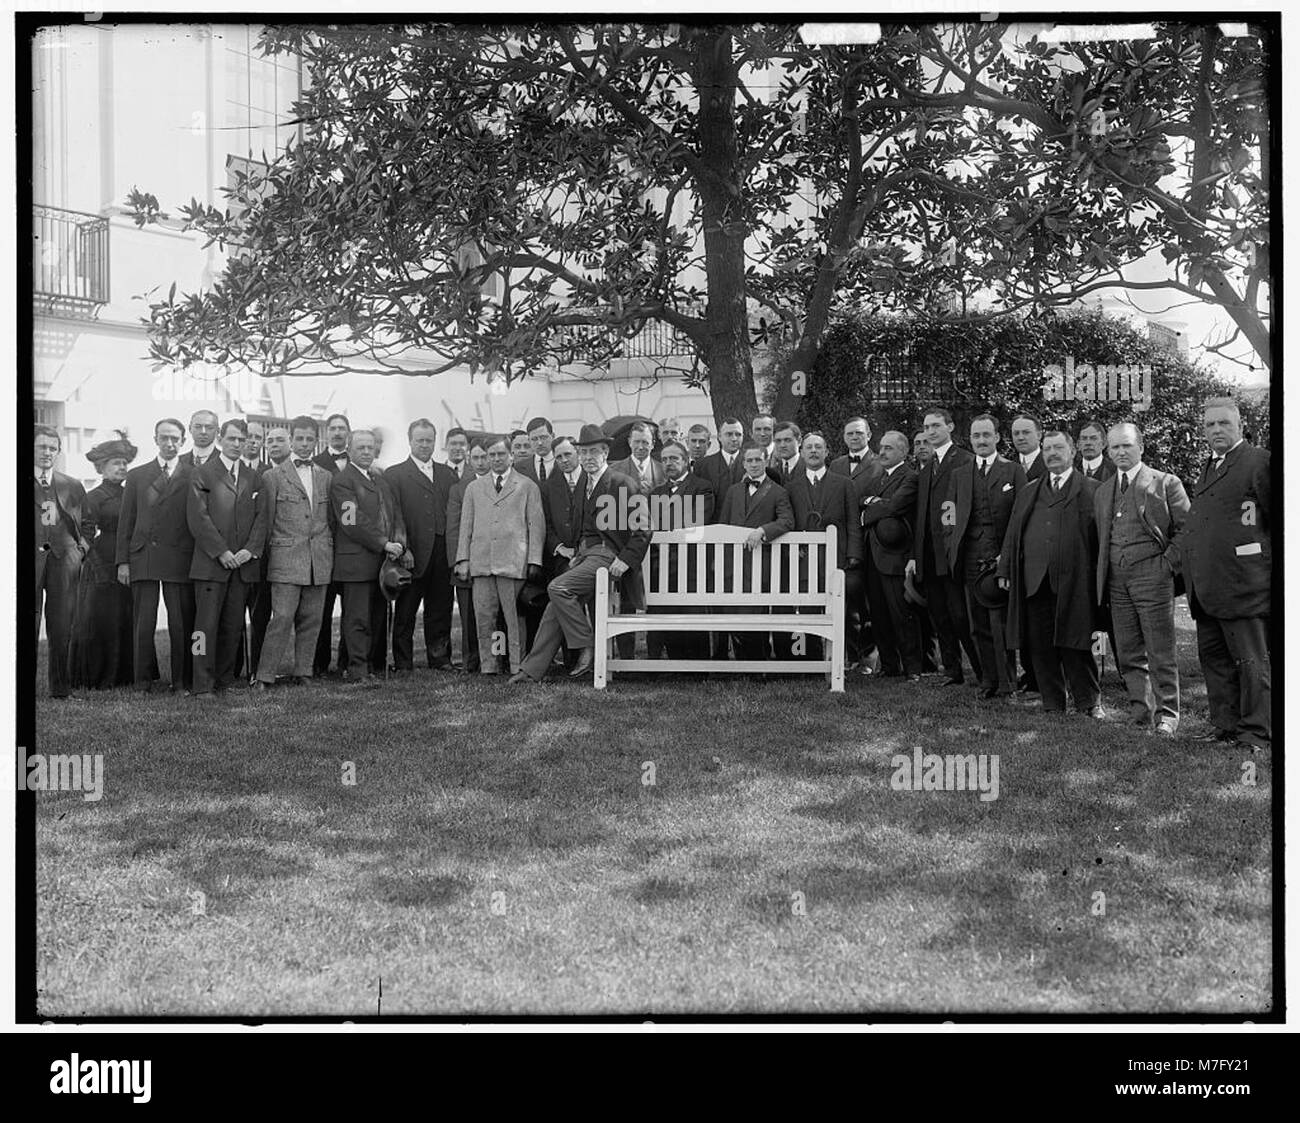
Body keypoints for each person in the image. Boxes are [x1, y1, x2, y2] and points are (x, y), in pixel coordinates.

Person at [509, 424, 650, 683]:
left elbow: (643, 529)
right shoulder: (585, 482)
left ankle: (586, 645)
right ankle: (532, 671)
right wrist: (576, 553)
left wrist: (625, 560)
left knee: (559, 588)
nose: (587, 458)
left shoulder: (623, 483)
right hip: (586, 557)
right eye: (583, 453)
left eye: (593, 452)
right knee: (555, 605)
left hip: (609, 557)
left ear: (605, 453)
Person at [1180, 398, 1271, 751]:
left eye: (1223, 423)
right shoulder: (1210, 466)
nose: (1216, 430)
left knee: (1253, 665)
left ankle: (1257, 733)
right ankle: (1226, 727)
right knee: (1216, 663)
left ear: (1239, 424)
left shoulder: (1258, 461)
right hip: (1209, 590)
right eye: (1209, 425)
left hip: (1246, 588)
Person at [1094, 422, 1190, 735]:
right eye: (1115, 447)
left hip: (1153, 575)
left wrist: (1166, 565)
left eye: (1127, 446)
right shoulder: (1104, 490)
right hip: (1116, 580)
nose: (1121, 452)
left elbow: (1188, 531)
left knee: (1160, 649)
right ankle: (1140, 712)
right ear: (1108, 451)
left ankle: (1167, 715)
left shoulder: (1165, 483)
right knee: (1128, 649)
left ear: (1141, 448)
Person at [998, 430, 1103, 718]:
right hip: (1035, 580)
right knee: (1040, 645)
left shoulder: (1093, 489)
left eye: (1058, 448)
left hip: (1076, 581)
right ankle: (1052, 703)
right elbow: (1013, 533)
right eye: (1047, 449)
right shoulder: (1029, 490)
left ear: (1072, 452)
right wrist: (1005, 568)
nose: (1052, 453)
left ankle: (1088, 702)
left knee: (1077, 643)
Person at [249, 416, 335, 691]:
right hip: (285, 558)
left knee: (312, 619)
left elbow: (331, 518)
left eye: (310, 439)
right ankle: (264, 675)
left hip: (318, 559)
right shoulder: (272, 476)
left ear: (315, 441)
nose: (305, 444)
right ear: (291, 439)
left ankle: (304, 671)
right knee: (282, 617)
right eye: (300, 438)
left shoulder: (326, 476)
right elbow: (266, 519)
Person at [945, 414, 1027, 699]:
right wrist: (951, 548)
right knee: (977, 624)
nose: (981, 440)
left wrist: (1008, 556)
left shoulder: (1013, 471)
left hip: (1001, 560)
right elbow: (951, 517)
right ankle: (988, 680)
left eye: (986, 435)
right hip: (969, 559)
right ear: (970, 438)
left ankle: (1008, 682)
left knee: (1001, 623)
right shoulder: (960, 474)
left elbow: (1020, 517)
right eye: (976, 435)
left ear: (997, 438)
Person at [116, 417, 195, 693]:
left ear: (183, 441)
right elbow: (126, 521)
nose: (170, 443)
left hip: (179, 558)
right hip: (143, 558)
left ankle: (182, 681)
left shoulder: (194, 475)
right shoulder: (137, 475)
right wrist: (123, 561)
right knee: (144, 623)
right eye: (164, 437)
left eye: (175, 438)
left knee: (180, 624)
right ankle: (142, 681)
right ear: (156, 440)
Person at [455, 436, 545, 676]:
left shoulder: (526, 486)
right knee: (486, 617)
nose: (495, 459)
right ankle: (490, 664)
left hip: (513, 561)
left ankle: (518, 664)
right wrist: (463, 558)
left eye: (500, 454)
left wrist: (534, 560)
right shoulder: (474, 488)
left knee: (514, 618)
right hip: (482, 561)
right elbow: (466, 525)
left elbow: (536, 526)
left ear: (511, 456)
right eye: (490, 455)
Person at [187, 419, 263, 696]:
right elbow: (198, 518)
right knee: (203, 630)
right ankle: (201, 684)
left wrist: (248, 551)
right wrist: (222, 552)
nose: (237, 444)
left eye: (241, 440)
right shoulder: (202, 473)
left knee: (233, 627)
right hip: (211, 565)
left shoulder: (253, 477)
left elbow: (261, 518)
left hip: (242, 566)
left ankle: (225, 680)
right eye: (231, 439)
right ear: (220, 438)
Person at [907, 408, 980, 686]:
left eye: (936, 425)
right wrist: (916, 555)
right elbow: (921, 516)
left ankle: (982, 671)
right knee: (940, 616)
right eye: (927, 427)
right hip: (928, 555)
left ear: (950, 427)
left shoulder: (965, 461)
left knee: (962, 616)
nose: (931, 431)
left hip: (953, 554)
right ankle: (952, 670)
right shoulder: (925, 468)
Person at [330, 429, 407, 686]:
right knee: (357, 618)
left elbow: (394, 514)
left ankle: (371, 664)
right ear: (349, 450)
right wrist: (384, 543)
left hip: (382, 565)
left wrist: (398, 542)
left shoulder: (379, 480)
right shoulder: (343, 481)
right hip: (356, 563)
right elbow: (351, 521)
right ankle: (356, 670)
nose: (366, 452)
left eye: (370, 448)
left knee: (376, 616)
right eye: (360, 447)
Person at [386, 419, 458, 673]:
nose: (425, 445)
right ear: (410, 441)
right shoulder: (395, 474)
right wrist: (404, 549)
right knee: (406, 611)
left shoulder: (448, 474)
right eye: (420, 440)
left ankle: (440, 658)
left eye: (429, 440)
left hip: (441, 552)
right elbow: (394, 515)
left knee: (440, 607)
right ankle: (403, 662)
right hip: (412, 553)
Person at [781, 431, 859, 660]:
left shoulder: (844, 484)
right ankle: (812, 659)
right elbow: (789, 522)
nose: (813, 451)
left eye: (818, 447)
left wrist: (854, 554)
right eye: (809, 447)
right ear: (802, 453)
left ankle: (847, 658)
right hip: (805, 561)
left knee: (843, 611)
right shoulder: (792, 486)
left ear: (826, 452)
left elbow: (853, 520)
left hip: (837, 557)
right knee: (808, 609)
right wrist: (794, 550)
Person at [70, 435, 137, 689]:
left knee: (125, 616)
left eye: (124, 463)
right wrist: (96, 566)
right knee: (101, 619)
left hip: (129, 558)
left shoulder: (131, 493)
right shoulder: (93, 497)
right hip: (102, 561)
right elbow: (84, 533)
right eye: (115, 464)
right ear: (101, 468)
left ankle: (124, 675)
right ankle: (98, 676)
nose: (121, 468)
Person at [719, 441, 796, 662]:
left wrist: (762, 530)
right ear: (743, 464)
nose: (753, 464)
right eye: (749, 460)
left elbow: (787, 521)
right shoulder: (733, 491)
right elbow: (724, 523)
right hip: (733, 564)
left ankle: (759, 663)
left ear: (766, 461)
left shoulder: (778, 491)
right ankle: (741, 662)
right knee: (733, 612)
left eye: (758, 460)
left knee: (755, 613)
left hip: (761, 565)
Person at [34, 425, 95, 699]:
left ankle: (60, 689)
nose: (47, 452)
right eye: (41, 446)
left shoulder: (71, 484)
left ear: (58, 451)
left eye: (52, 448)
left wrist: (81, 549)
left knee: (61, 627)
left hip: (65, 564)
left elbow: (88, 522)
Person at [860, 431, 921, 680]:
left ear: (903, 452)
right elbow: (860, 498)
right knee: (879, 614)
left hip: (895, 556)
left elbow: (895, 506)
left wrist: (868, 511)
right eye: (881, 448)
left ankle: (913, 668)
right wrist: (875, 501)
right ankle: (889, 666)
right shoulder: (876, 476)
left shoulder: (910, 477)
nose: (882, 452)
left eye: (889, 448)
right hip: (872, 557)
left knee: (901, 614)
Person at [647, 439, 714, 660]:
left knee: (692, 615)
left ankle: (697, 665)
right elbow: (649, 526)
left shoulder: (702, 487)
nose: (668, 463)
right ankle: (672, 662)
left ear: (686, 461)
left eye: (674, 458)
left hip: (692, 563)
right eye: (664, 459)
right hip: (661, 564)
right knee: (661, 611)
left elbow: (695, 522)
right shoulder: (656, 493)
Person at [313, 413, 352, 676]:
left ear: (348, 433)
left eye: (342, 429)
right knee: (321, 609)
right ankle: (318, 663)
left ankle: (348, 661)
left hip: (351, 549)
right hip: (324, 548)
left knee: (352, 609)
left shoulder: (360, 463)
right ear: (326, 433)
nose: (337, 433)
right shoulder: (315, 464)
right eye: (333, 428)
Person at [445, 440, 490, 673]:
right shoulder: (459, 489)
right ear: (469, 460)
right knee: (469, 616)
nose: (481, 463)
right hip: (469, 562)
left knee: (496, 615)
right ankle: (471, 661)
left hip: (495, 562)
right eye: (476, 458)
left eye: (485, 457)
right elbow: (453, 528)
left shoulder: (503, 485)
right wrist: (460, 561)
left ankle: (496, 658)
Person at [692, 416, 746, 522]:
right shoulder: (702, 465)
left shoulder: (753, 463)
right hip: (712, 527)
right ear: (719, 437)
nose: (734, 438)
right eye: (729, 434)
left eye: (738, 434)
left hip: (743, 527)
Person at [609, 422, 666, 494]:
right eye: (636, 442)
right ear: (629, 442)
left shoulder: (664, 472)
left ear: (652, 444)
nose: (640, 447)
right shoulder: (613, 471)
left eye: (645, 442)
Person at [516, 417, 556, 485]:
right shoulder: (519, 468)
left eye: (543, 438)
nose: (539, 443)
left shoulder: (562, 462)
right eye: (534, 439)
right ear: (529, 440)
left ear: (552, 436)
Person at [1010, 413, 1046, 481]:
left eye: (1026, 432)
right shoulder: (1006, 469)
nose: (1020, 438)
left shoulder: (1054, 466)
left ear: (1039, 435)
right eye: (1016, 433)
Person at [768, 422, 803, 487]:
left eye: (787, 440)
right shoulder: (771, 473)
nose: (782, 445)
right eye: (778, 441)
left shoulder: (811, 468)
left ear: (799, 441)